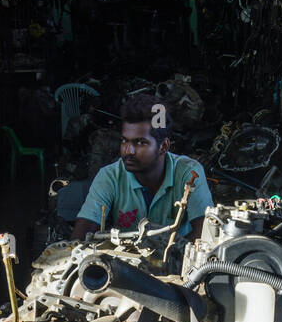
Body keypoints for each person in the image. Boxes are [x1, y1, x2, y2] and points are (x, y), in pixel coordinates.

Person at [72, 92, 212, 241]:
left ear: (163, 146)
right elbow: (82, 233)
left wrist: (169, 257)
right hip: (124, 261)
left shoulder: (189, 173)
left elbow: (205, 232)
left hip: (179, 261)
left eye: (140, 143)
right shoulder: (109, 176)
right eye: (125, 141)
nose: (128, 151)